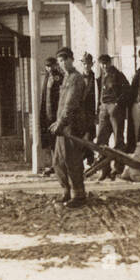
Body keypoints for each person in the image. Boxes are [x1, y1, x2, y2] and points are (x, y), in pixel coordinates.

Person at [48, 47, 88, 208]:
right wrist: (57, 122)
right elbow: (62, 104)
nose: (63, 63)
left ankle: (79, 195)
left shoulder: (76, 79)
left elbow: (70, 104)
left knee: (72, 161)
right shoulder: (66, 78)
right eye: (60, 60)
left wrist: (61, 122)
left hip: (72, 126)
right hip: (63, 126)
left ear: (72, 59)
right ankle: (66, 191)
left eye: (65, 59)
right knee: (58, 161)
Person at [94, 54, 130, 179]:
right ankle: (105, 169)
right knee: (101, 139)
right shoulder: (101, 76)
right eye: (102, 64)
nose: (104, 66)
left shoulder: (118, 75)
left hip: (115, 110)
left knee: (118, 139)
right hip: (104, 109)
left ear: (110, 63)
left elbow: (127, 91)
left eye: (106, 63)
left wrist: (117, 104)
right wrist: (99, 108)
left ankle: (118, 169)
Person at [38, 56, 63, 173]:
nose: (49, 69)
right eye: (47, 66)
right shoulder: (47, 77)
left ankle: (58, 165)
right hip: (47, 113)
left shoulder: (59, 77)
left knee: (57, 140)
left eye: (51, 66)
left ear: (55, 66)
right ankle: (54, 164)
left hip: (56, 113)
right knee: (50, 140)